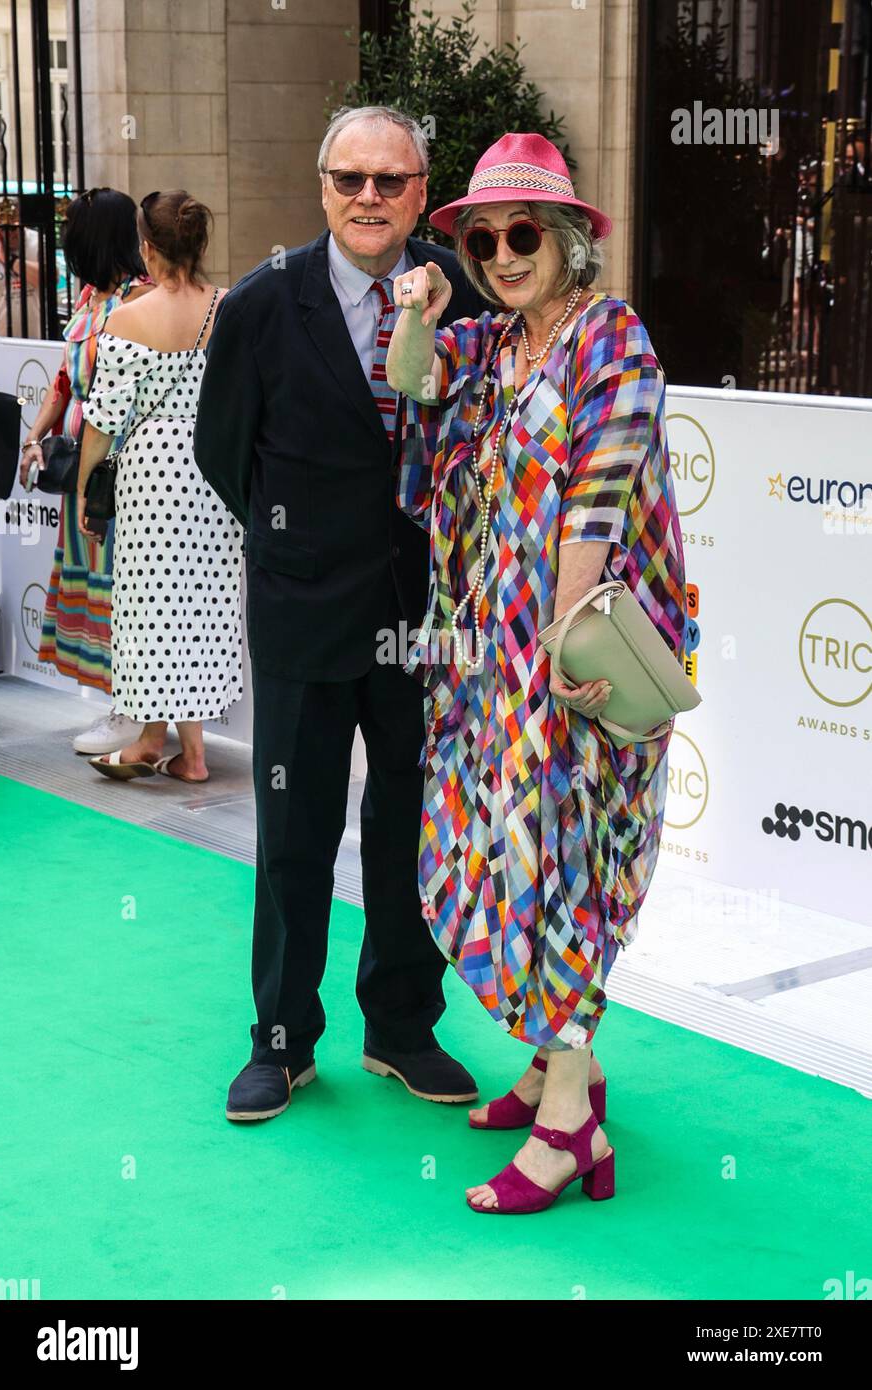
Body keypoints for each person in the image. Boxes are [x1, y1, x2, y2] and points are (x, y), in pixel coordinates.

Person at [386, 133, 689, 1214]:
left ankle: (569, 1123)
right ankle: (568, 1067)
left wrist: (564, 659)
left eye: (522, 235)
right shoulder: (491, 342)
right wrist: (419, 308)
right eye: (483, 237)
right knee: (495, 851)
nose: (503, 253)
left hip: (574, 659)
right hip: (490, 659)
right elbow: (407, 380)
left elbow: (597, 509)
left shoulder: (614, 341)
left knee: (561, 870)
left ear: (565, 240)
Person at [194, 105, 485, 1122]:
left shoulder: (471, 292)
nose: (370, 197)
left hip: (425, 619)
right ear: (322, 187)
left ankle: (403, 1026)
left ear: (419, 191)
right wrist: (297, 542)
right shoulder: (264, 304)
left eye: (391, 181)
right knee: (294, 831)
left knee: (411, 827)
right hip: (303, 614)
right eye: (351, 178)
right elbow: (224, 453)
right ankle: (282, 1041)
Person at [79, 190, 243, 784]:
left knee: (149, 606)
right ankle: (180, 749)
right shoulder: (229, 307)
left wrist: (81, 489)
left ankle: (158, 741)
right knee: (200, 606)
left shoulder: (127, 318)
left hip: (151, 473)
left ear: (147, 247)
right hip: (214, 471)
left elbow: (102, 420)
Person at [18, 188, 152, 755]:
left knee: (126, 591)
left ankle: (134, 713)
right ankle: (119, 707)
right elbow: (64, 382)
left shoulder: (140, 299)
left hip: (121, 475)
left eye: (72, 229)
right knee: (98, 587)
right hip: (83, 469)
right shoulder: (90, 298)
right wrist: (34, 436)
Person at [0, 197, 41, 337]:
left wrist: (9, 261)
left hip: (33, 337)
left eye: (14, 227)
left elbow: (49, 279)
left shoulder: (36, 241)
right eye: (5, 228)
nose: (11, 233)